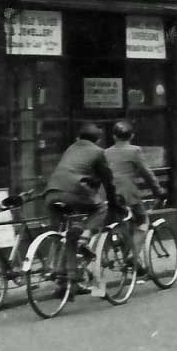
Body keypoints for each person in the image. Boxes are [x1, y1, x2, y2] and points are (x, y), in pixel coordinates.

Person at [44, 123, 121, 289]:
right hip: (73, 193)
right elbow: (108, 180)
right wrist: (113, 202)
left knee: (66, 234)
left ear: (78, 137)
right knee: (101, 208)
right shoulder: (98, 152)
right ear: (98, 140)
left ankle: (66, 278)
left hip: (51, 193)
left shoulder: (70, 148)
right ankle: (85, 236)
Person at [104, 120, 164, 269]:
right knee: (143, 222)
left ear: (114, 136)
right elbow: (147, 173)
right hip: (127, 195)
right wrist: (158, 191)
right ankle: (133, 255)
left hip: (106, 195)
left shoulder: (105, 153)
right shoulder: (134, 151)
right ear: (132, 136)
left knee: (111, 224)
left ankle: (106, 254)